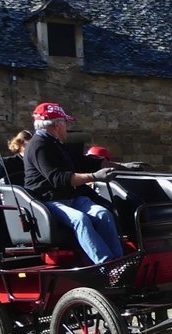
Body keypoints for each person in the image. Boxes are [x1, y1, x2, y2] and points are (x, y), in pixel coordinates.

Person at [23, 102, 122, 265]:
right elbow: (58, 178)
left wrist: (121, 167)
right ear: (56, 125)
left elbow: (85, 162)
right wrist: (94, 177)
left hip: (72, 197)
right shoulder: (38, 146)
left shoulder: (56, 144)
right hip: (49, 201)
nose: (66, 127)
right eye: (65, 123)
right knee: (80, 219)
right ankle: (105, 264)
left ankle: (118, 260)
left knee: (103, 214)